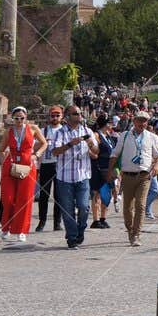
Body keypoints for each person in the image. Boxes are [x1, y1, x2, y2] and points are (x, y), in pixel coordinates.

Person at [48, 105, 99, 250]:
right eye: (75, 113)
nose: (79, 115)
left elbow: (96, 152)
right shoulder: (60, 132)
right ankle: (71, 238)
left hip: (83, 176)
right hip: (64, 177)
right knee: (67, 209)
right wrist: (70, 144)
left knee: (84, 207)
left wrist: (91, 144)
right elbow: (54, 152)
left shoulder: (87, 131)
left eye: (80, 113)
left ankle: (80, 230)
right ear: (68, 116)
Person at [110, 110, 158, 246]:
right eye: (139, 120)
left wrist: (157, 165)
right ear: (134, 121)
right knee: (127, 207)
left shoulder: (152, 137)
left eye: (145, 121)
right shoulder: (125, 135)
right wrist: (110, 170)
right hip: (127, 175)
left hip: (144, 175)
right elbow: (115, 153)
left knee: (140, 205)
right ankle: (130, 230)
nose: (142, 123)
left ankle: (136, 234)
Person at [0, 106, 43, 244]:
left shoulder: (33, 128)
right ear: (13, 118)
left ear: (26, 117)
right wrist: (4, 161)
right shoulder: (9, 131)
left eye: (22, 118)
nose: (19, 120)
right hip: (11, 165)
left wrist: (36, 155)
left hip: (27, 165)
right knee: (8, 198)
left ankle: (21, 231)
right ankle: (6, 227)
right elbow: (1, 150)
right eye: (16, 118)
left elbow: (44, 143)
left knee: (24, 199)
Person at [35, 105, 65, 233]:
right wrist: (43, 142)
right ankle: (42, 221)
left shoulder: (64, 130)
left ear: (61, 116)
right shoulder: (43, 130)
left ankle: (57, 223)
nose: (55, 118)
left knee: (59, 195)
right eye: (53, 115)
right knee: (44, 195)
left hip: (60, 165)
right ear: (49, 117)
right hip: (46, 164)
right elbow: (34, 147)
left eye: (57, 115)